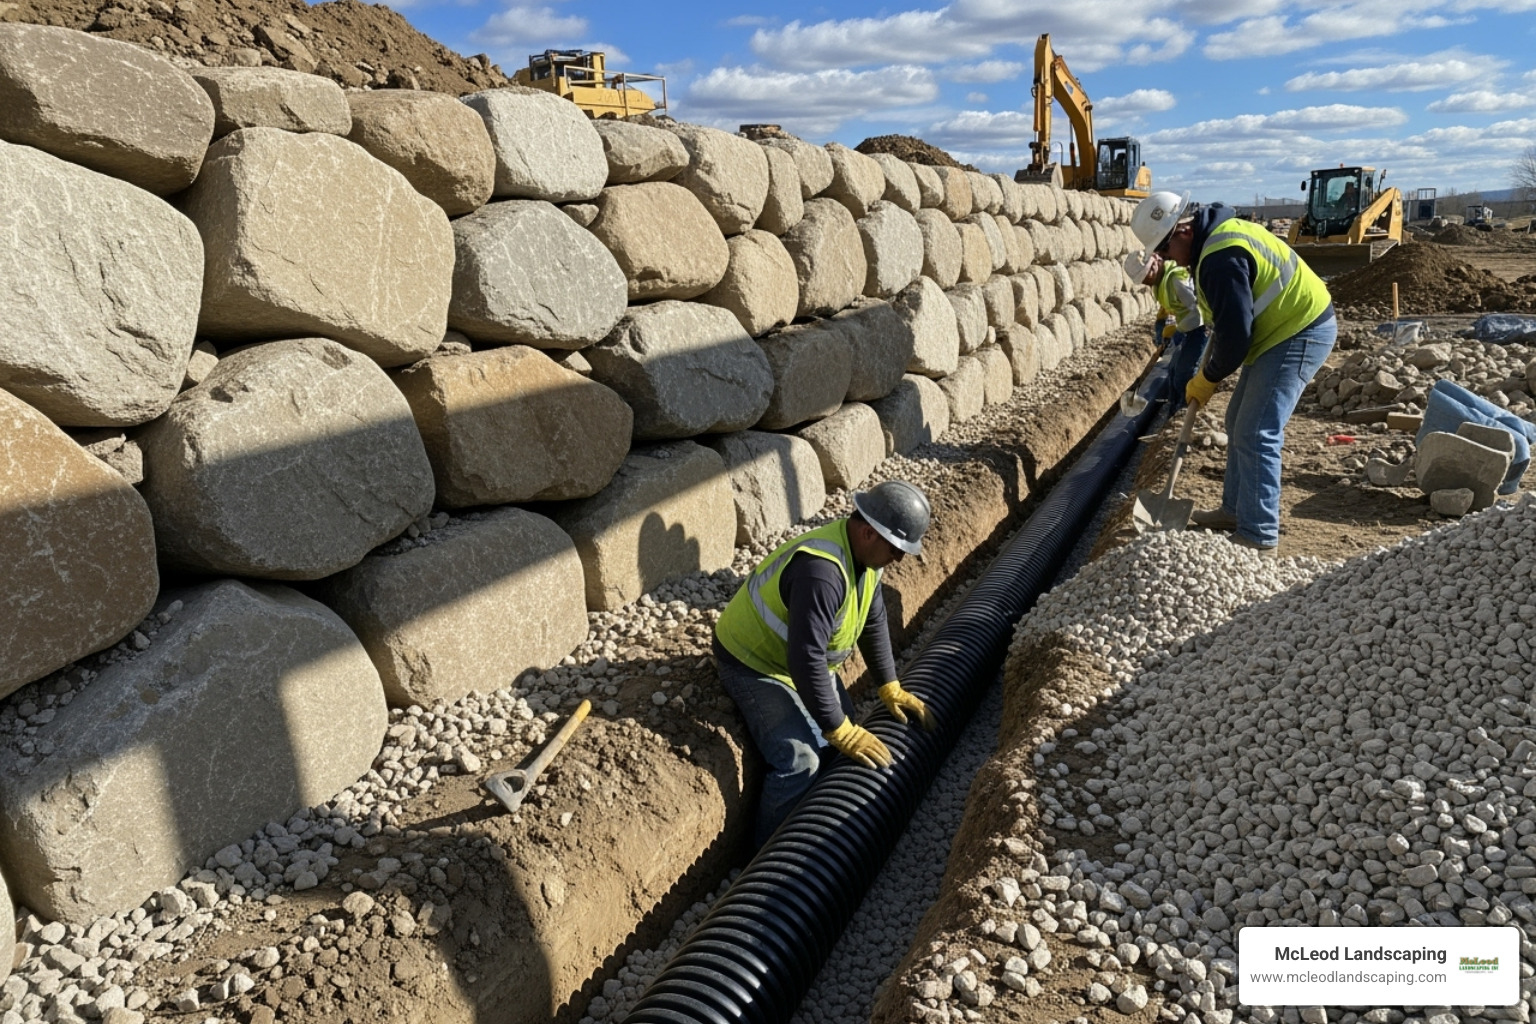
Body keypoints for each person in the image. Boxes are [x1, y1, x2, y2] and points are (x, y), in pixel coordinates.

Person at [713, 480, 938, 846]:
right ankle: (764, 859)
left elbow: (873, 619)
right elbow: (806, 659)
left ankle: (819, 838)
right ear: (868, 532)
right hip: (753, 662)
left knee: (841, 746)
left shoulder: (867, 558)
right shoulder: (822, 573)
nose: (899, 559)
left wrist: (888, 684)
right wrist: (838, 727)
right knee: (801, 761)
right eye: (897, 549)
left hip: (795, 661)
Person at [1130, 191, 1336, 556]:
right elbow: (1226, 324)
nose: (1163, 258)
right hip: (1275, 331)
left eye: (1163, 249)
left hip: (1298, 329)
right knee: (1236, 418)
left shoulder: (1220, 257)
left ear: (1183, 231)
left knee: (1257, 429)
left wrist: (1207, 377)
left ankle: (1258, 534)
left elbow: (1236, 337)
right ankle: (1235, 510)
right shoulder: (1214, 242)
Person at [1123, 248, 1208, 406]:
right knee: (1173, 370)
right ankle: (1173, 409)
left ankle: (1183, 411)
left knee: (1184, 374)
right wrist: (1166, 330)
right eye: (1142, 280)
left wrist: (1179, 331)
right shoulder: (1160, 282)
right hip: (1188, 329)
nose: (1145, 282)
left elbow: (1199, 310)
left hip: (1200, 330)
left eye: (1145, 277)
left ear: (1155, 265)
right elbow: (1169, 310)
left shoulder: (1176, 279)